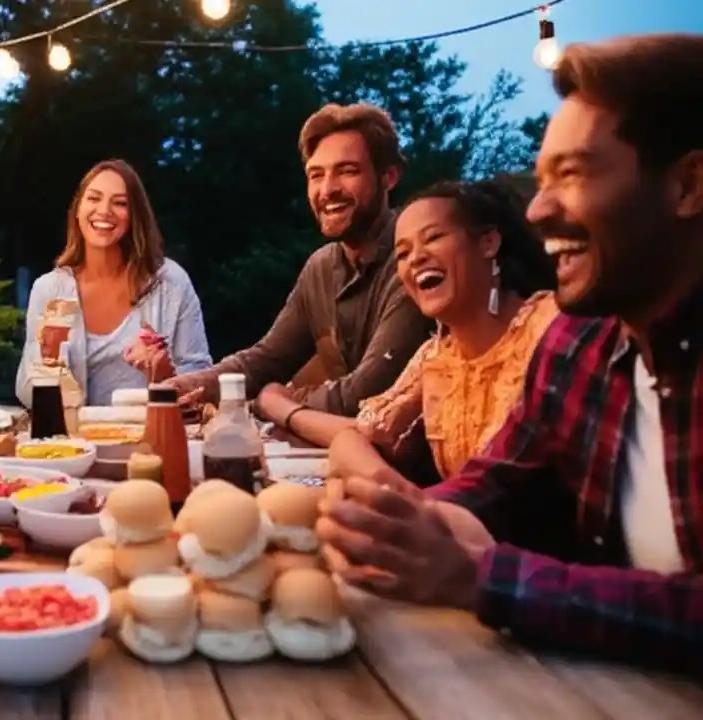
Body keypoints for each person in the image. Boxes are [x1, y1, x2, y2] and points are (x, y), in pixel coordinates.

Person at [317, 34, 703, 672]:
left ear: (689, 185)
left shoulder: (543, 329)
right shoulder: (581, 347)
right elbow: (493, 484)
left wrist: (482, 578)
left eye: (573, 174)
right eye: (542, 178)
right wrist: (387, 524)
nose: (541, 209)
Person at [260, 179, 559, 484]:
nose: (415, 258)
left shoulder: (551, 326)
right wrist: (404, 498)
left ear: (488, 243)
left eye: (433, 238)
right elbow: (362, 435)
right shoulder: (436, 356)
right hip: (454, 520)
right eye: (402, 253)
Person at [168, 103, 432, 418]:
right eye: (316, 175)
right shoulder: (321, 267)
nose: (328, 189)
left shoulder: (414, 261)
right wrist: (182, 388)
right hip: (349, 449)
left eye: (347, 171)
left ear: (389, 177)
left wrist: (278, 402)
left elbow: (366, 394)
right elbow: (267, 360)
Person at [16, 159, 212, 406]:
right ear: (77, 209)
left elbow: (202, 381)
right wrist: (47, 363)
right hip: (73, 441)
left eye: (119, 203)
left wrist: (164, 373)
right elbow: (25, 391)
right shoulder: (48, 290)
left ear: (134, 217)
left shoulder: (170, 283)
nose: (104, 210)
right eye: (94, 198)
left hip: (151, 437)